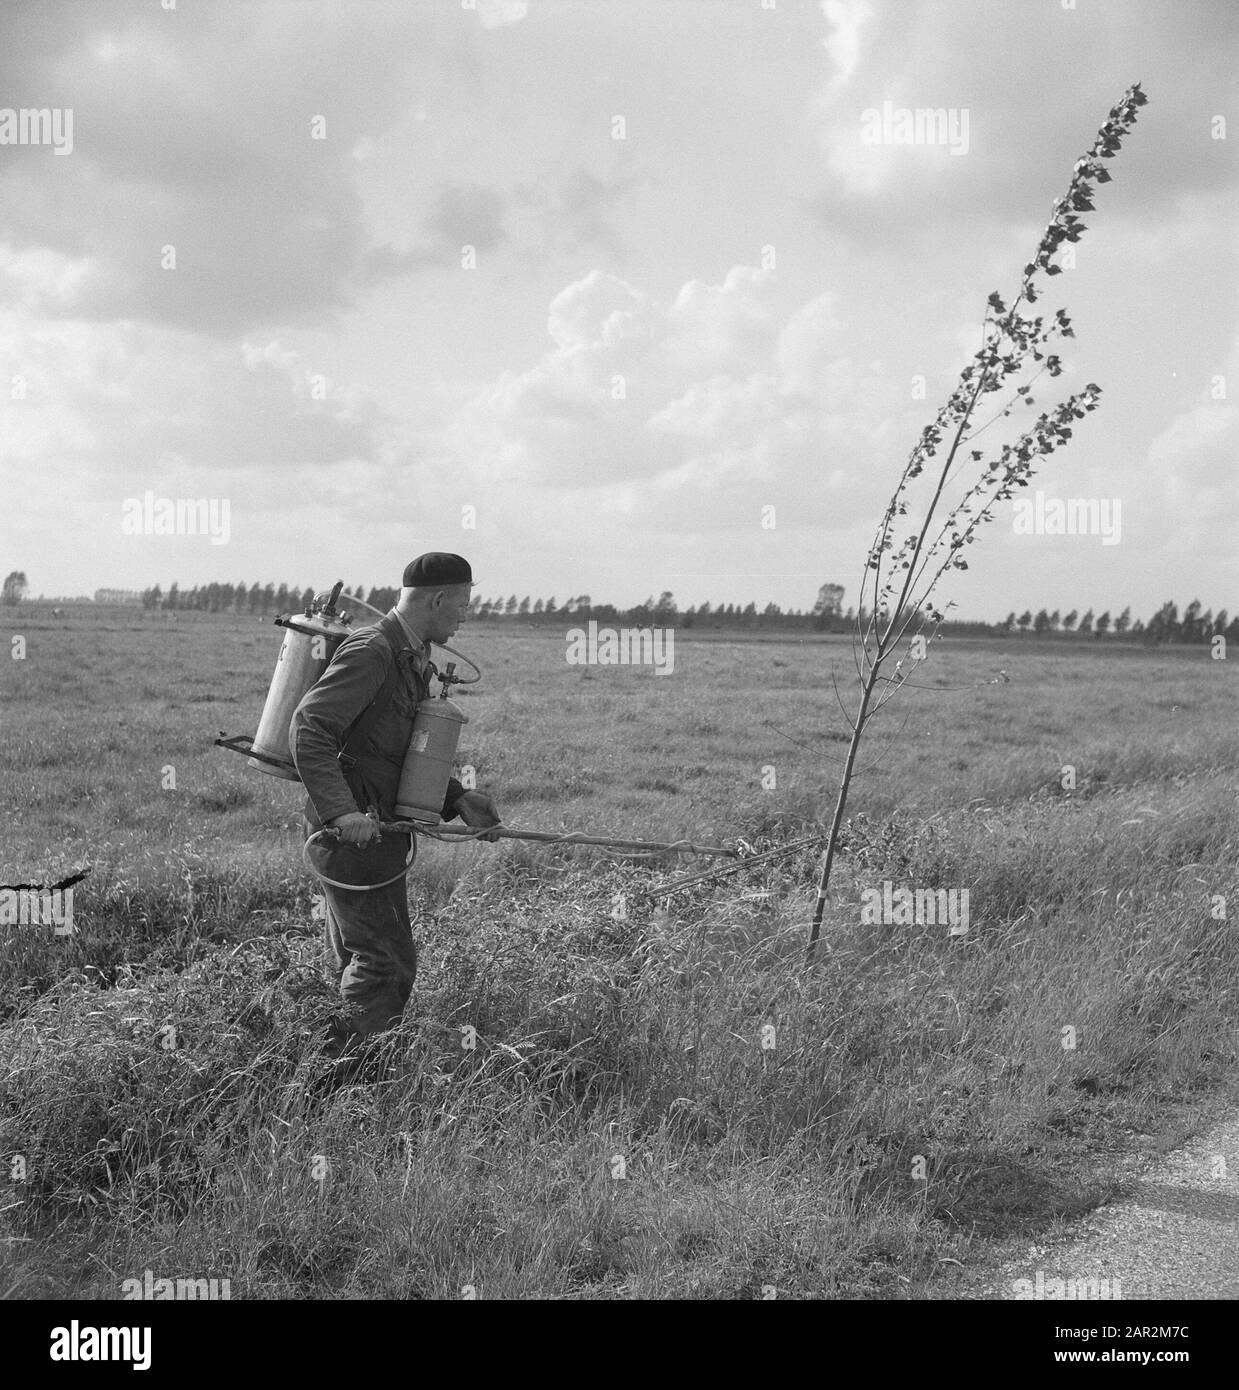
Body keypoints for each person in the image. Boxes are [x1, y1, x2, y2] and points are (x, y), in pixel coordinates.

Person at [290, 552, 500, 1062]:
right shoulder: (374, 651)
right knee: (385, 963)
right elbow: (310, 728)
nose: (465, 616)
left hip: (373, 833)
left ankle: (321, 1078)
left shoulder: (411, 658)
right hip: (353, 837)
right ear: (438, 598)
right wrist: (343, 815)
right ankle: (342, 1088)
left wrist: (457, 797)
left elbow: (394, 747)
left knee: (357, 959)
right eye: (464, 603)